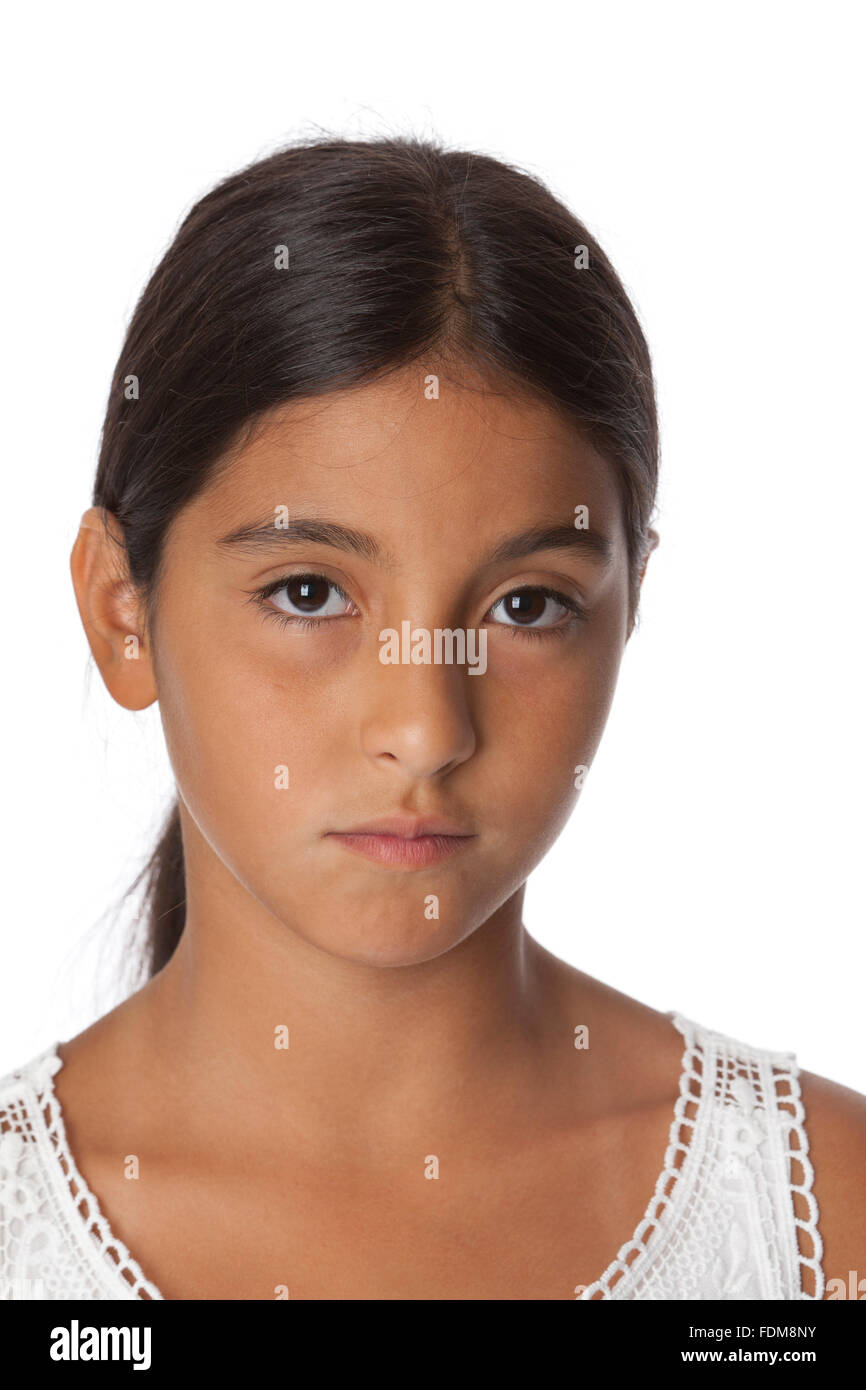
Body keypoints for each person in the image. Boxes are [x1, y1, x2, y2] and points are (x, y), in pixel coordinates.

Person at [1, 135, 863, 1301]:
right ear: (122, 613)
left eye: (525, 604)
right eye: (307, 593)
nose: (424, 727)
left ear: (629, 606)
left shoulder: (816, 1224)